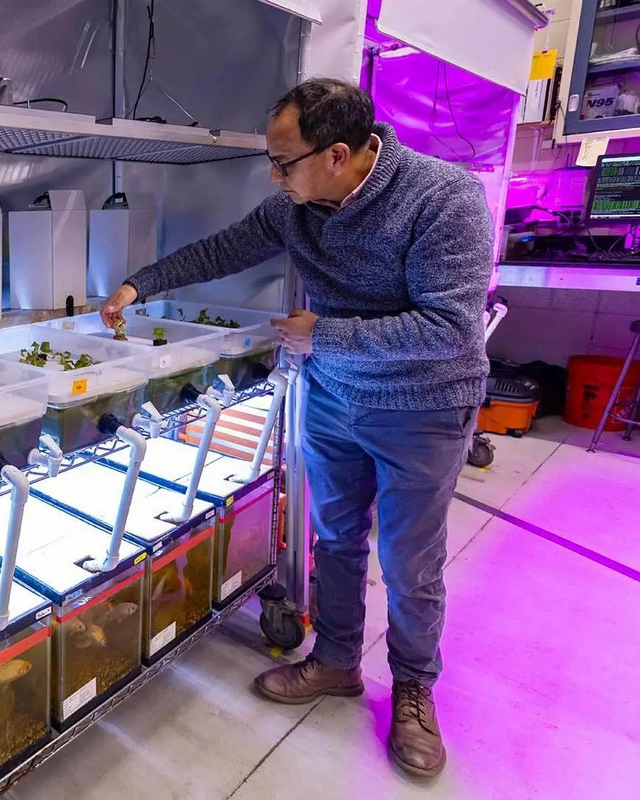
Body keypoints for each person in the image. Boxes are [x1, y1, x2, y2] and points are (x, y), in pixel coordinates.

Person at [99, 78, 492, 778]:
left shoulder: (445, 198)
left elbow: (451, 328)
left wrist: (328, 335)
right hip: (335, 398)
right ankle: (337, 661)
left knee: (409, 561)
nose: (275, 178)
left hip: (423, 408)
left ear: (338, 155)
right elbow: (225, 248)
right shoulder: (298, 205)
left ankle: (412, 690)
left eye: (285, 164)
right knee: (335, 539)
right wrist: (140, 283)